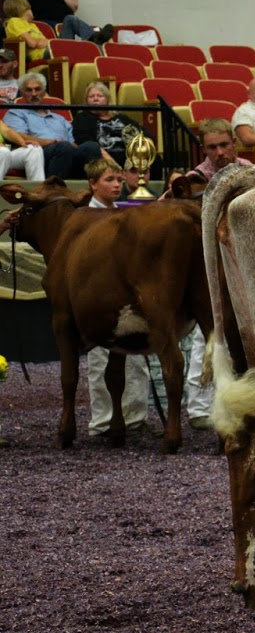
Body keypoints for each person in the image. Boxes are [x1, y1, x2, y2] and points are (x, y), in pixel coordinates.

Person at [78, 158, 154, 436]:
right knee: (100, 362)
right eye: (109, 180)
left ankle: (135, 417)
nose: (116, 185)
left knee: (134, 357)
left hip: (127, 298)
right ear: (92, 184)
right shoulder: (86, 217)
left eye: (119, 180)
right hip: (99, 300)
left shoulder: (124, 213)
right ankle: (103, 420)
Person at [4, 71, 98, 177]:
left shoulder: (59, 118)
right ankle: (53, 189)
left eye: (38, 89)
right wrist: (50, 142)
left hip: (66, 151)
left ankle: (95, 188)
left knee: (91, 147)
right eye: (29, 90)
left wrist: (76, 148)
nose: (34, 94)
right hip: (40, 154)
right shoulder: (16, 112)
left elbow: (72, 143)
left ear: (44, 92)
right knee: (63, 146)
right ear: (22, 93)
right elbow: (20, 137)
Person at [72, 81, 152, 186]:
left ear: (107, 99)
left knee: (154, 157)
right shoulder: (82, 118)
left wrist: (145, 145)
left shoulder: (121, 117)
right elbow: (85, 141)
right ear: (87, 101)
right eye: (91, 96)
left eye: (99, 96)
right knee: (90, 147)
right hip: (102, 158)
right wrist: (113, 164)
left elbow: (144, 132)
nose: (95, 98)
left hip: (128, 159)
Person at [183, 118, 254, 181]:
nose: (220, 153)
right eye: (212, 147)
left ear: (233, 143)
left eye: (224, 145)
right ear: (203, 149)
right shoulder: (195, 178)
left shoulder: (247, 167)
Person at [3, 0, 52, 66]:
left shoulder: (32, 25)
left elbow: (45, 42)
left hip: (48, 49)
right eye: (29, 8)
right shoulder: (14, 21)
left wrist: (45, 41)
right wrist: (41, 41)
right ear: (22, 8)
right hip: (40, 55)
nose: (32, 10)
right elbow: (32, 43)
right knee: (69, 19)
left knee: (70, 47)